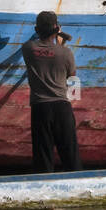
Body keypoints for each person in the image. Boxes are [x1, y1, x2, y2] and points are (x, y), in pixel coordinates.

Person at [21, 10, 81, 172]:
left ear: (36, 30)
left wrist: (54, 33)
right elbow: (73, 78)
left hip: (40, 108)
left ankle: (44, 186)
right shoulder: (66, 53)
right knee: (70, 152)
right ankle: (77, 182)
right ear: (56, 28)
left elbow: (40, 45)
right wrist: (73, 101)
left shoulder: (28, 49)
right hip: (62, 107)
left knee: (43, 154)